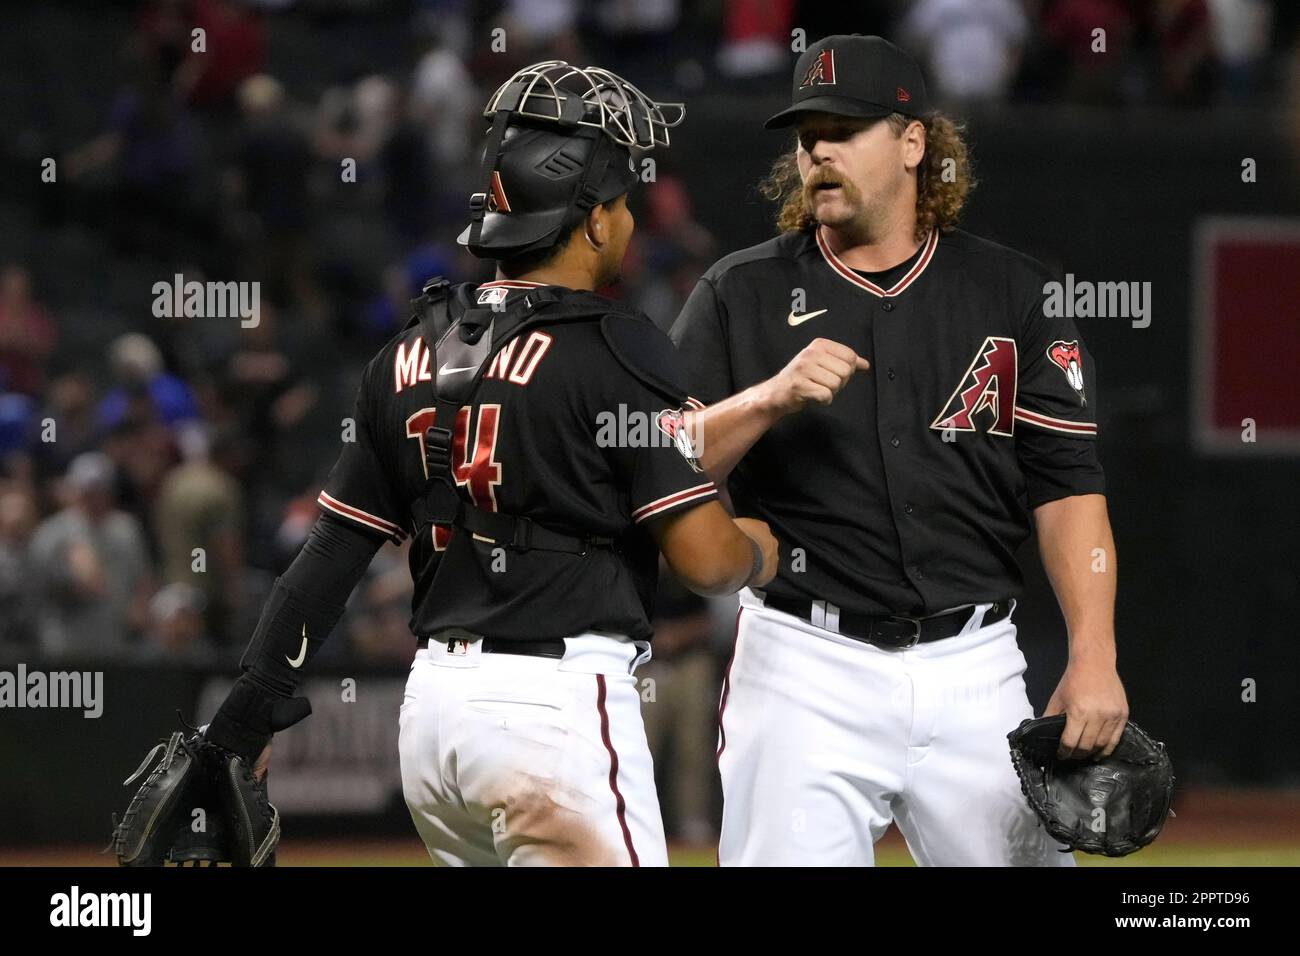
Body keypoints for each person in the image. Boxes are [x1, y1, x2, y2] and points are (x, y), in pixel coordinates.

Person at [201, 61, 778, 867]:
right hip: (553, 715)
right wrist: (765, 546)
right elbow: (706, 561)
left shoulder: (406, 354)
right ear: (595, 222)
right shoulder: (620, 347)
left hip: (434, 723)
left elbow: (328, 556)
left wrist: (248, 715)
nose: (630, 222)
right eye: (622, 205)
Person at [671, 34, 1128, 866]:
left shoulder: (1013, 294)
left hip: (977, 670)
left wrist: (1093, 656)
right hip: (805, 665)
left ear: (914, 143)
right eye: (806, 136)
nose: (818, 151)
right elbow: (658, 460)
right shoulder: (741, 292)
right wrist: (765, 397)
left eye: (843, 129)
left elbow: (1067, 489)